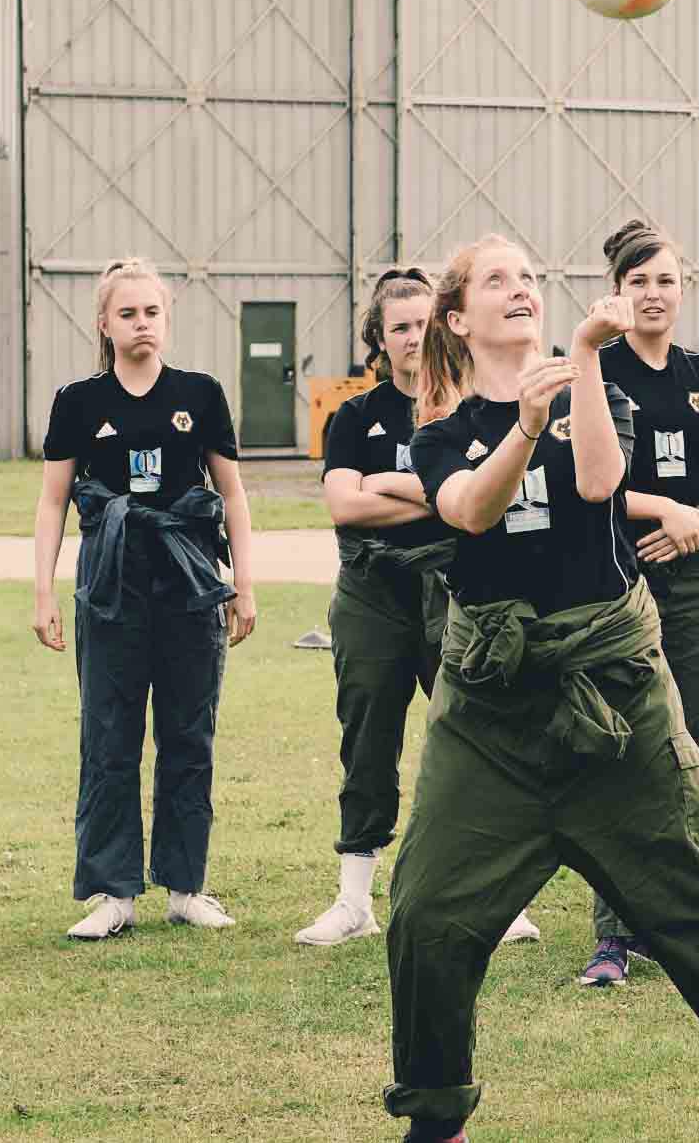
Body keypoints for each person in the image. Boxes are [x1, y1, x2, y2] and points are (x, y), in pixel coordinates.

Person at [384, 236, 699, 1143]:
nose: (520, 290)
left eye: (528, 278)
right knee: (426, 915)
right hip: (491, 709)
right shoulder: (441, 431)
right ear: (458, 318)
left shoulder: (584, 388)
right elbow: (469, 512)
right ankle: (435, 1115)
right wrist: (520, 429)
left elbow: (603, 483)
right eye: (498, 281)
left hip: (617, 695)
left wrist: (587, 362)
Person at [32, 258, 259, 940]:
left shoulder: (202, 393)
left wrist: (243, 582)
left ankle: (186, 886)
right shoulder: (78, 400)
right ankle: (113, 891)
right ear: (103, 322)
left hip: (188, 581)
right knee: (109, 734)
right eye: (127, 313)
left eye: (152, 312)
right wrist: (43, 591)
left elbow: (234, 493)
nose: (141, 324)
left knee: (190, 732)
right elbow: (52, 502)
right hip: (111, 582)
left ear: (167, 318)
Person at [575, 220, 699, 987]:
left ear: (685, 289)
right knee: (620, 749)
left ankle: (680, 919)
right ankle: (612, 935)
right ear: (617, 291)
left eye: (665, 280)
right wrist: (663, 512)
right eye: (638, 281)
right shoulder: (596, 374)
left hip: (695, 580)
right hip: (617, 582)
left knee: (686, 748)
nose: (652, 293)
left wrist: (698, 522)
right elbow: (593, 480)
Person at [296, 268, 456, 947]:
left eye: (424, 322)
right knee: (368, 742)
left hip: (453, 591)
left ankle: (492, 898)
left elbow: (484, 502)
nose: (414, 336)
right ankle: (354, 901)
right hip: (370, 595)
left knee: (469, 740)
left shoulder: (466, 409)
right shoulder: (355, 416)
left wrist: (388, 485)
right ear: (380, 340)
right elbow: (344, 505)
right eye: (400, 327)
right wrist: (434, 491)